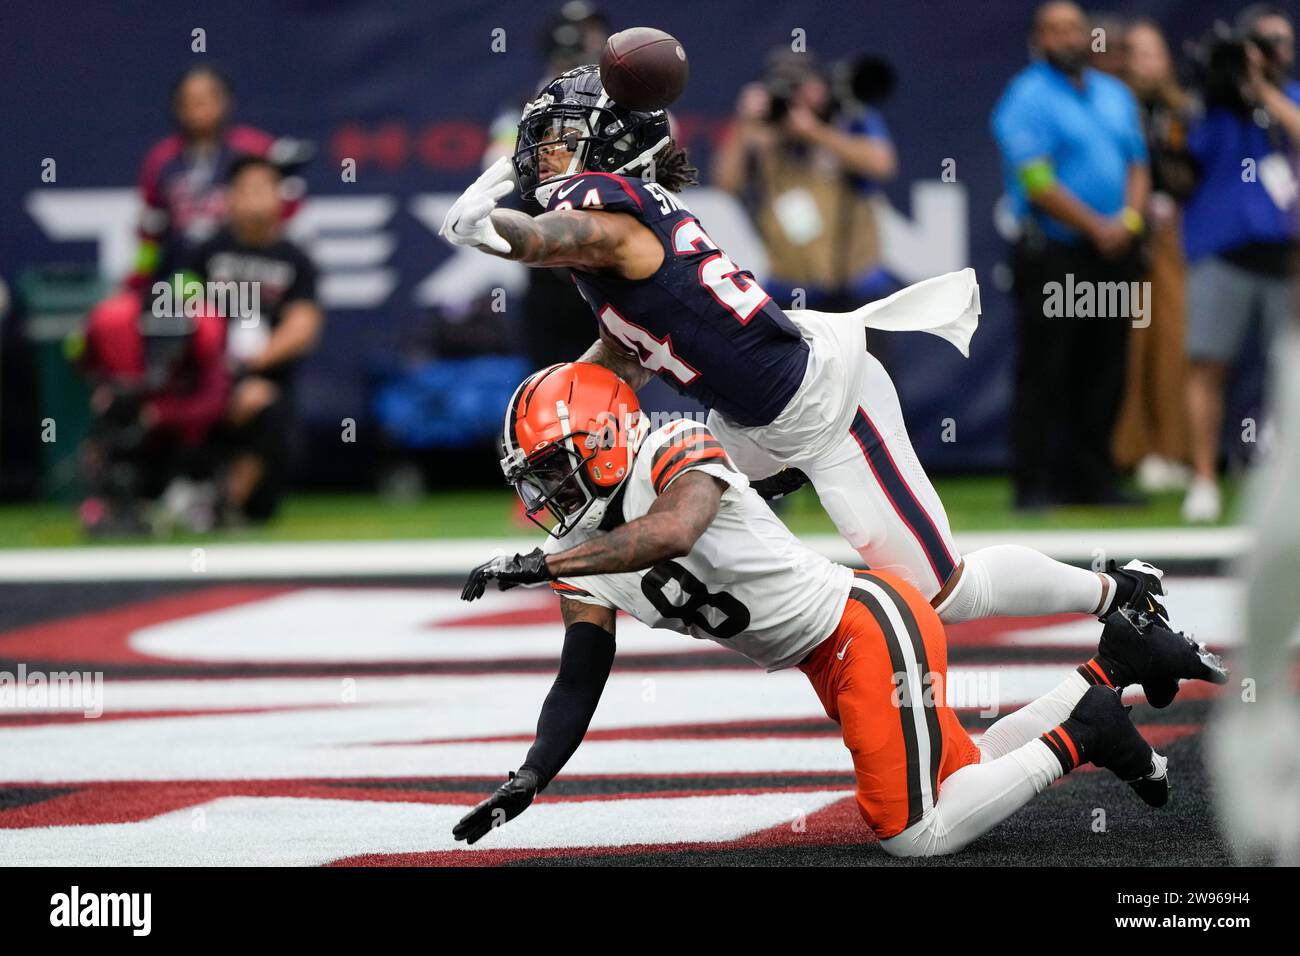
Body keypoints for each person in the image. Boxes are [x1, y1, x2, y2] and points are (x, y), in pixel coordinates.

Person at [439, 63, 1167, 634]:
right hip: (753, 412)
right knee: (646, 515)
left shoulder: (604, 212)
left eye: (561, 137)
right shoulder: (624, 213)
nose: (542, 153)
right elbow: (632, 347)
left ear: (608, 149)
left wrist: (499, 231)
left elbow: (550, 238)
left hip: (823, 403)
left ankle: (1117, 590)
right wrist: (569, 391)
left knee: (940, 591)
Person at [452, 362, 1227, 855]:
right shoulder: (581, 550)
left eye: (556, 467)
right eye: (535, 478)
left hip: (863, 628)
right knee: (968, 771)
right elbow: (580, 676)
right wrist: (533, 772)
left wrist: (544, 561)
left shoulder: (670, 449)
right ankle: (1109, 669)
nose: (546, 493)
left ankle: (1085, 731)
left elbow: (671, 531)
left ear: (611, 438)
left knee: (915, 833)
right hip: (830, 654)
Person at [991, 0, 1150, 509]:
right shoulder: (1025, 97)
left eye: (1073, 29)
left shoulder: (1115, 94)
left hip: (1114, 251)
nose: (1066, 38)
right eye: (1053, 30)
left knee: (1106, 366)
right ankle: (1035, 485)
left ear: (1088, 36)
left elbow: (1138, 165)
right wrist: (1095, 224)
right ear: (1038, 40)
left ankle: (1094, 480)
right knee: (1047, 369)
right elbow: (1035, 180)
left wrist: (1127, 221)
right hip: (1055, 252)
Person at [1180, 4, 1300, 523]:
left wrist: (1263, 89)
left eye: (1283, 41)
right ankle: (1203, 478)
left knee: (1289, 371)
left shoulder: (1289, 95)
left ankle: (1282, 479)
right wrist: (1229, 84)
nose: (1277, 50)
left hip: (1286, 257)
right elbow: (1183, 143)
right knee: (1207, 365)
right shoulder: (1216, 101)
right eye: (1266, 40)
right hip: (1222, 254)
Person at [185, 155, 323, 522]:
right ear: (229, 197)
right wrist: (220, 377)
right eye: (245, 189)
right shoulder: (205, 253)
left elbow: (304, 326)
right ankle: (186, 493)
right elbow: (177, 307)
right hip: (203, 379)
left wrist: (248, 369)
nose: (254, 199)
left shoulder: (295, 260)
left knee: (267, 414)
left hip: (265, 382)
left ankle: (229, 505)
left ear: (281, 198)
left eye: (264, 189)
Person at [712, 49, 898, 311]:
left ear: (818, 87)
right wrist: (742, 125)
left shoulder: (848, 117)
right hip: (787, 288)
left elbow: (883, 165)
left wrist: (815, 133)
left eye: (800, 86)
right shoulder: (762, 131)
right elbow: (726, 184)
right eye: (785, 89)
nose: (794, 99)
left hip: (855, 288)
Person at [1111, 18, 1196, 492]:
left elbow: (1192, 172)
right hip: (1127, 241)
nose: (1146, 62)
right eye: (1136, 53)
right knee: (1131, 347)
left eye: (1154, 52)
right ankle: (1132, 451)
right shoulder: (1113, 107)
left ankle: (1174, 449)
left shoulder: (1184, 112)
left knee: (1175, 344)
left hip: (1173, 242)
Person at [127, 65, 300, 296]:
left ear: (224, 102)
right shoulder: (161, 159)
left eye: (204, 100)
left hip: (244, 270)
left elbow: (287, 212)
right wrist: (140, 279)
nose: (196, 110)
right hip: (183, 273)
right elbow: (150, 231)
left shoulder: (255, 148)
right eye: (187, 101)